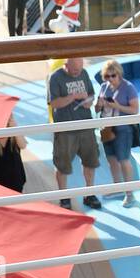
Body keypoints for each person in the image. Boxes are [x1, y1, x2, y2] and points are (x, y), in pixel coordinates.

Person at [48, 56, 102, 210]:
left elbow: (91, 94)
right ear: (66, 65)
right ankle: (64, 197)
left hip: (85, 125)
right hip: (65, 129)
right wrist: (74, 96)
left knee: (90, 162)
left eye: (79, 68)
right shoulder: (55, 78)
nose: (77, 72)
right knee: (62, 165)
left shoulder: (84, 73)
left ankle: (89, 193)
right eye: (74, 70)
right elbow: (54, 102)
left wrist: (89, 101)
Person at [94, 60, 139, 207]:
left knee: (123, 161)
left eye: (113, 75)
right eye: (107, 76)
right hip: (107, 128)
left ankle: (129, 193)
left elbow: (134, 110)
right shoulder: (103, 87)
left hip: (122, 129)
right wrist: (99, 105)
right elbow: (96, 110)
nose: (110, 79)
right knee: (112, 160)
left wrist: (117, 106)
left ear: (119, 74)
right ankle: (117, 187)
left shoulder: (129, 88)